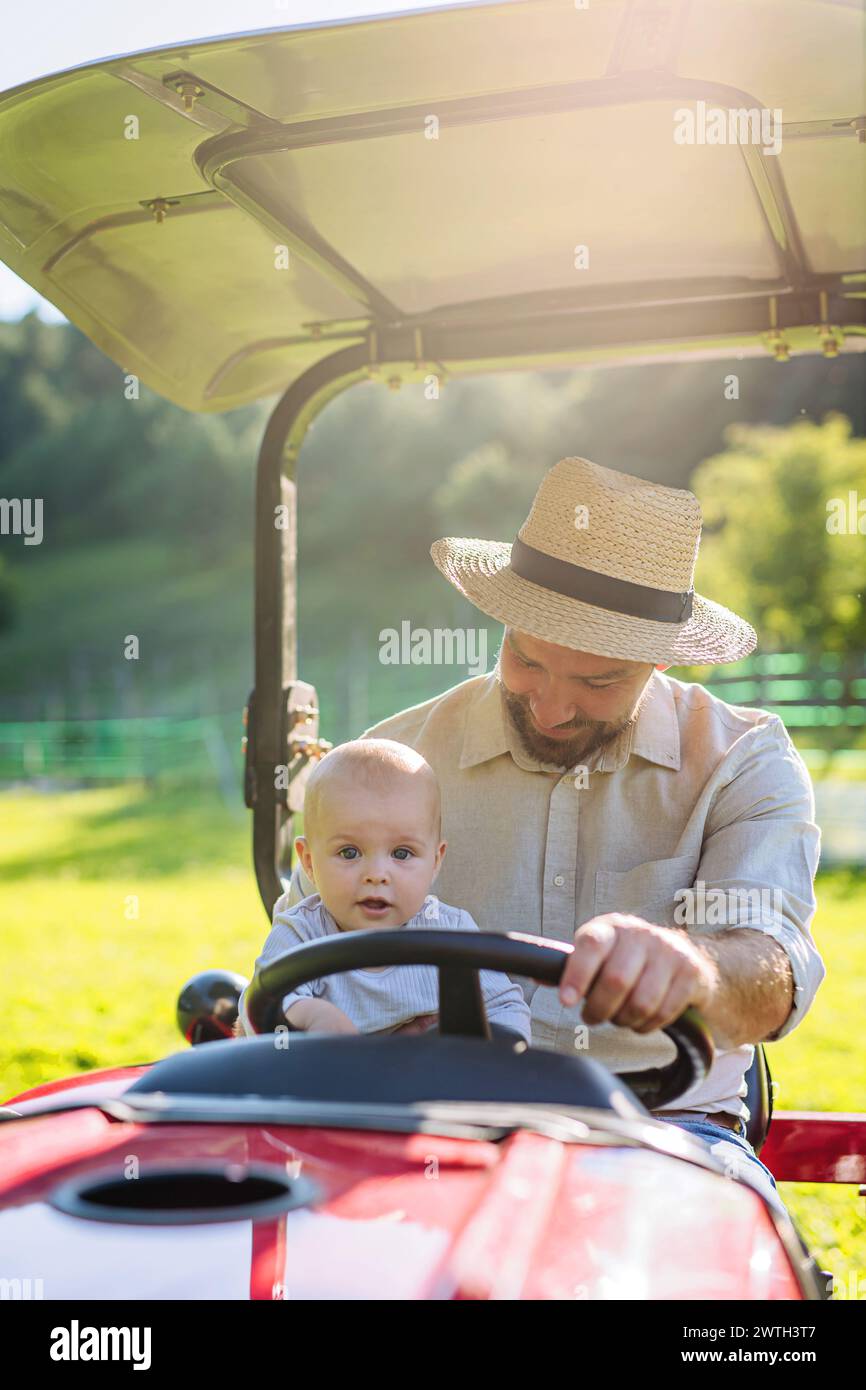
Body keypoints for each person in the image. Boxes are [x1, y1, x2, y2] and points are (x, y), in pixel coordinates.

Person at [282, 455, 825, 1219]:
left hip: (666, 1126)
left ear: (661, 656)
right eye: (527, 659)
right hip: (427, 1117)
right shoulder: (395, 762)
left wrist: (693, 969)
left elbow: (770, 966)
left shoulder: (742, 761)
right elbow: (302, 949)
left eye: (598, 682)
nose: (550, 710)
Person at [236, 738, 531, 1042]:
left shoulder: (450, 933)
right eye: (349, 853)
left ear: (435, 861)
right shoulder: (301, 932)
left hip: (430, 1083)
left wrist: (497, 1048)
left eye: (401, 854)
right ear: (309, 862)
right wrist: (311, 1014)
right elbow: (260, 1005)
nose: (376, 875)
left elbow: (505, 1005)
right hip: (326, 1081)